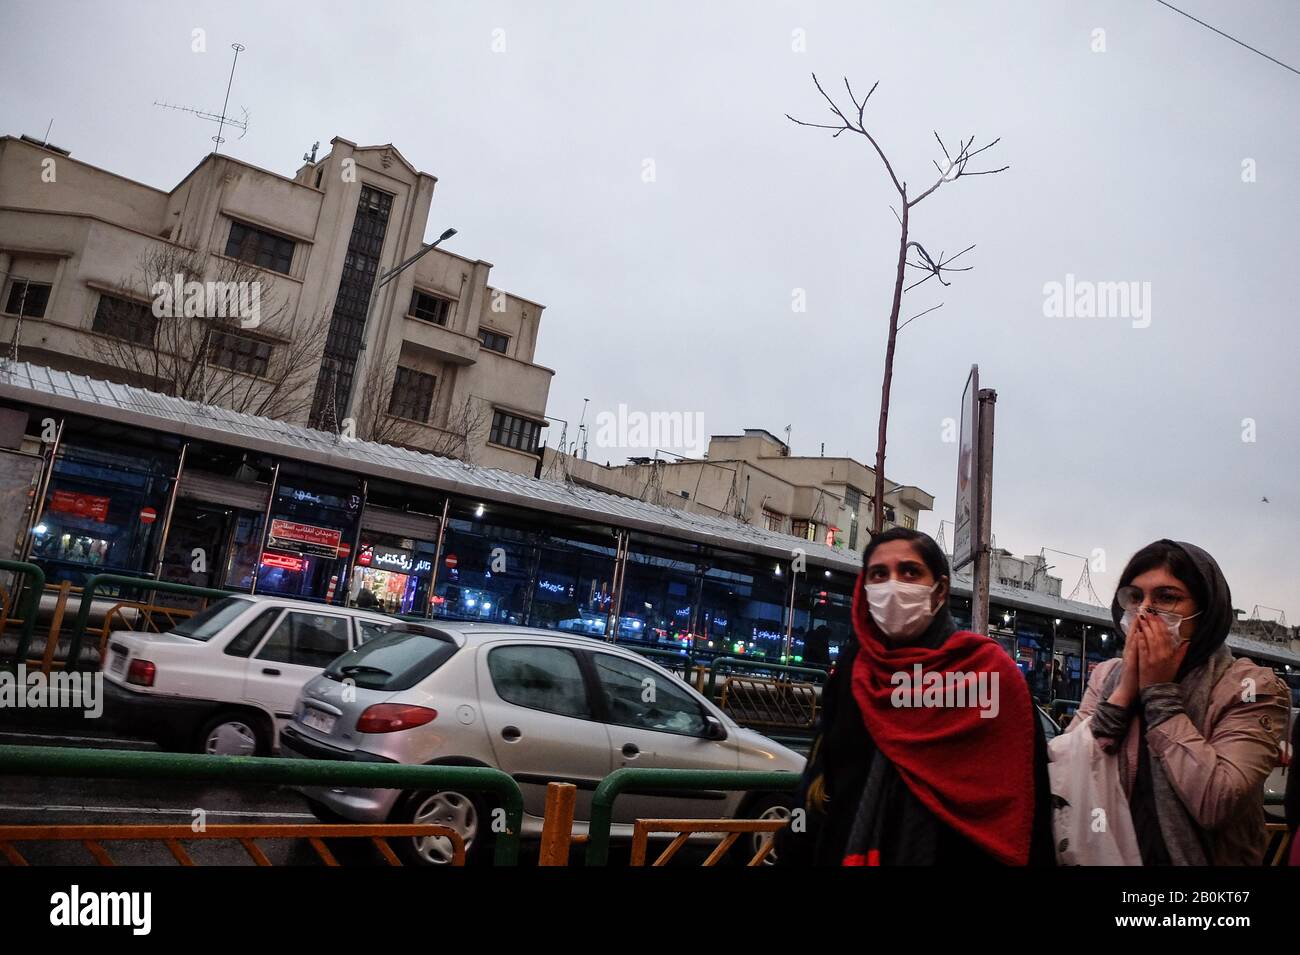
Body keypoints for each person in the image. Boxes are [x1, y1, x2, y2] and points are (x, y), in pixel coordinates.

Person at [774, 527, 1054, 865]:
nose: (893, 586)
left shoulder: (990, 675)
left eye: (910, 571)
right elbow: (821, 777)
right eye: (879, 574)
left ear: (940, 591)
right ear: (866, 590)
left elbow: (1029, 801)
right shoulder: (856, 670)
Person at [1067, 539, 1287, 865]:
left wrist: (1159, 691)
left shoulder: (1252, 688)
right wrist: (1125, 690)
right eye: (1135, 597)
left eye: (1167, 598)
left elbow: (1216, 801)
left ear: (1206, 611)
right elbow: (1070, 774)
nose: (1144, 612)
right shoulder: (1107, 676)